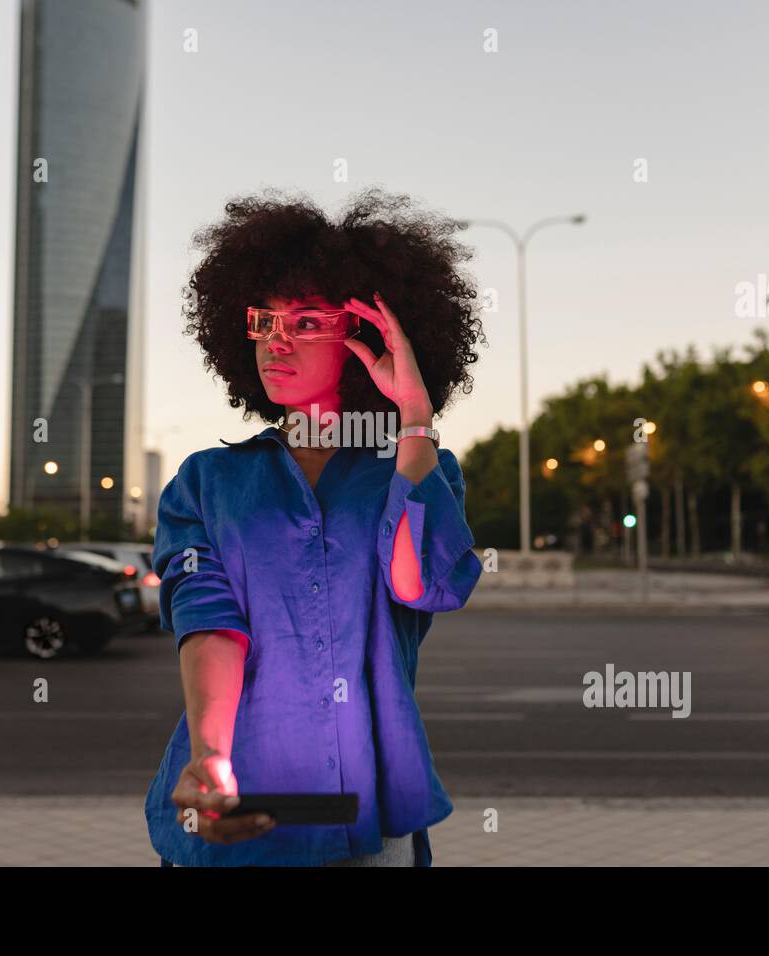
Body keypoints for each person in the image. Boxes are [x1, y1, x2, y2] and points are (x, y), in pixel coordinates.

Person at [146, 187, 486, 866]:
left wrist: (413, 413)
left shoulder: (419, 469)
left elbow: (422, 586)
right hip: (233, 817)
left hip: (370, 820)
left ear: (365, 334)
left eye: (305, 322)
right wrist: (211, 757)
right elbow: (209, 621)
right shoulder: (206, 483)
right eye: (263, 320)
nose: (276, 341)